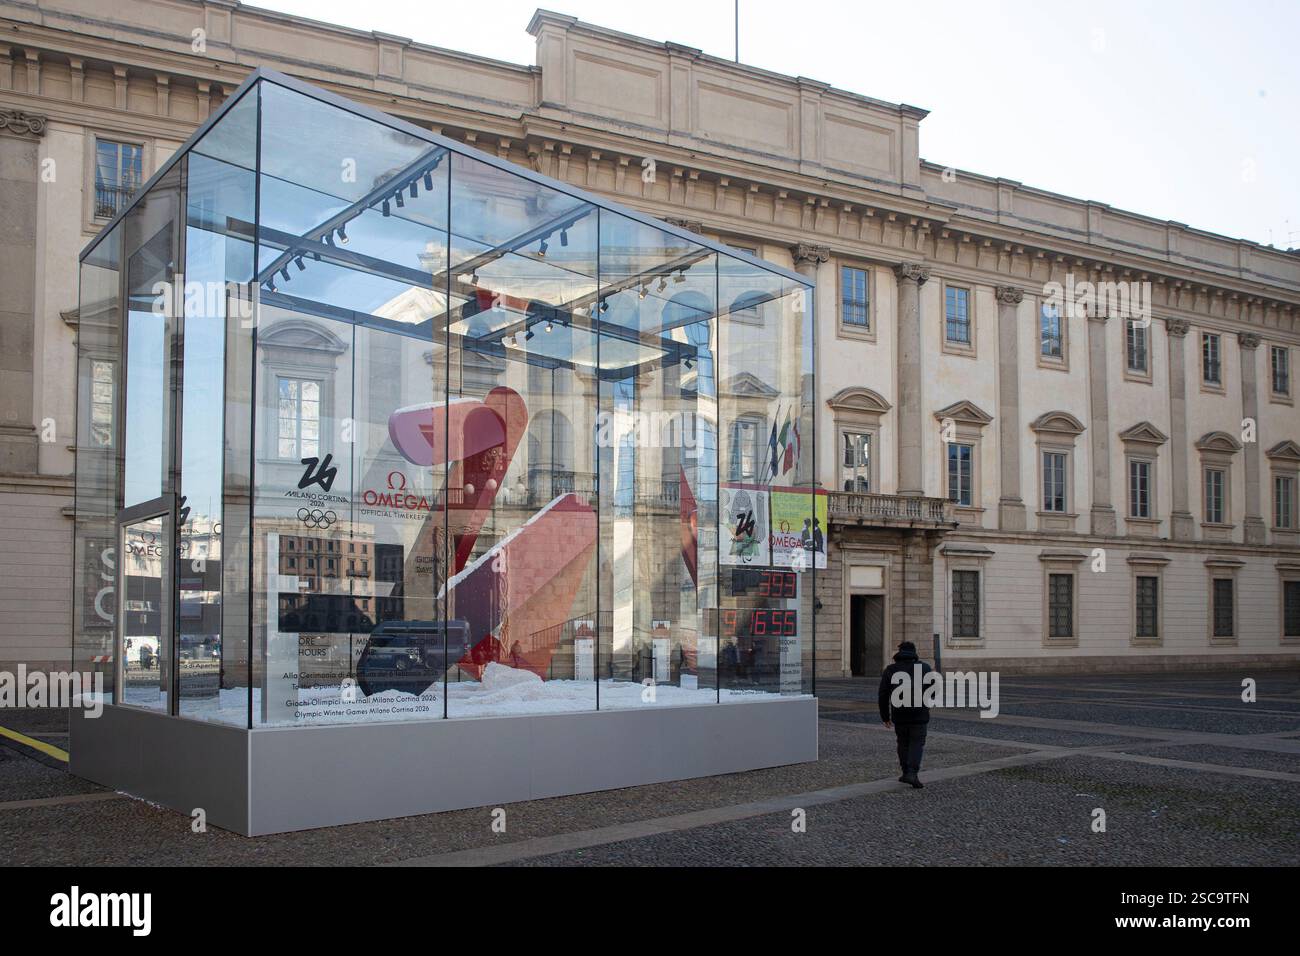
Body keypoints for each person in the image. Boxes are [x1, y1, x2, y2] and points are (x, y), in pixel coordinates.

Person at [877, 640, 932, 789]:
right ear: (914, 653)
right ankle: (912, 773)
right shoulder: (925, 668)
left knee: (903, 742)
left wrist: (885, 717)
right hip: (919, 713)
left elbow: (883, 694)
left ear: (899, 653)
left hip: (899, 713)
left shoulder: (891, 669)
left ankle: (905, 772)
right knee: (916, 743)